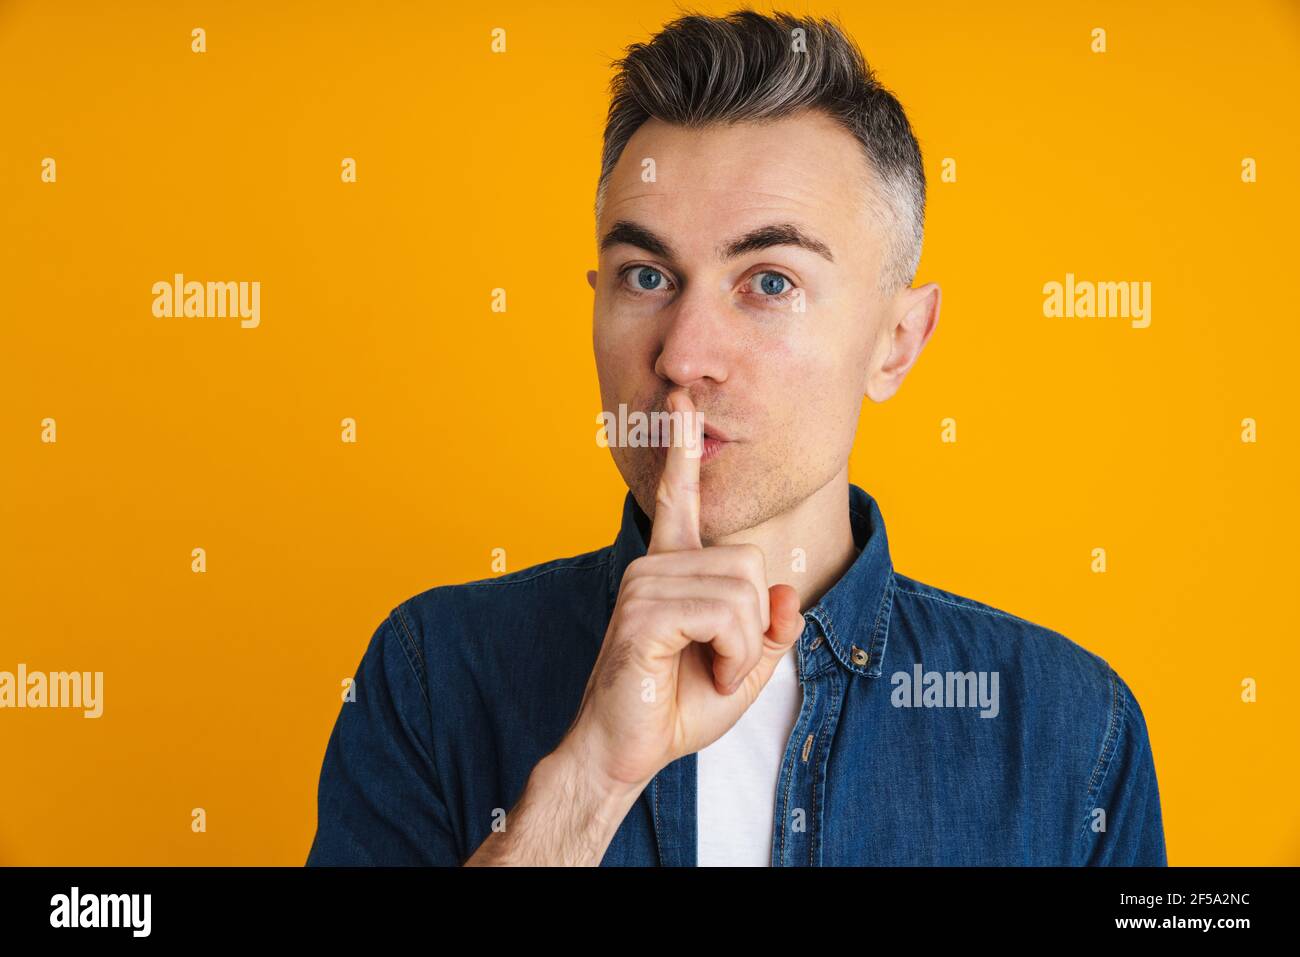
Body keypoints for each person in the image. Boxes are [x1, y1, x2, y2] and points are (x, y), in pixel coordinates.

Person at [306, 8, 1166, 867]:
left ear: (897, 342)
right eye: (646, 276)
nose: (683, 357)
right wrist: (589, 781)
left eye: (768, 281)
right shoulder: (431, 676)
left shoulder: (1073, 730)